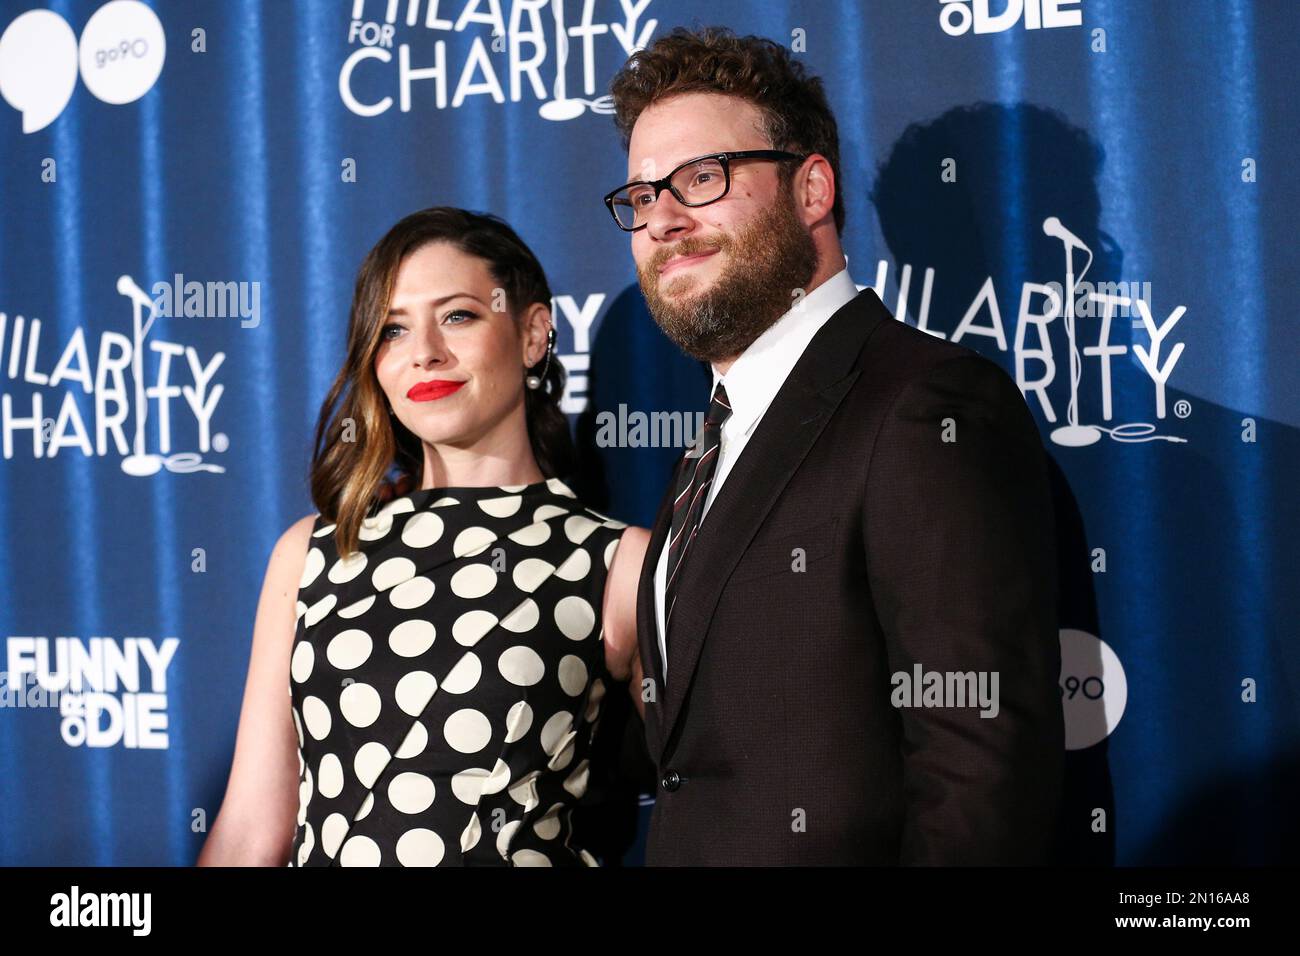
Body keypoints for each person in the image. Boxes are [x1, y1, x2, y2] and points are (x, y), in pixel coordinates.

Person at [603, 26, 1064, 864]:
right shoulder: (711, 446)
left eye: (701, 178)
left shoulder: (923, 404)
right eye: (638, 197)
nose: (661, 219)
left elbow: (981, 774)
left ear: (812, 188)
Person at [198, 207, 649, 866]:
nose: (425, 352)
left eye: (458, 315)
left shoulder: (615, 562)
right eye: (393, 329)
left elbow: (717, 795)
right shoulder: (314, 553)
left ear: (532, 334)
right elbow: (249, 831)